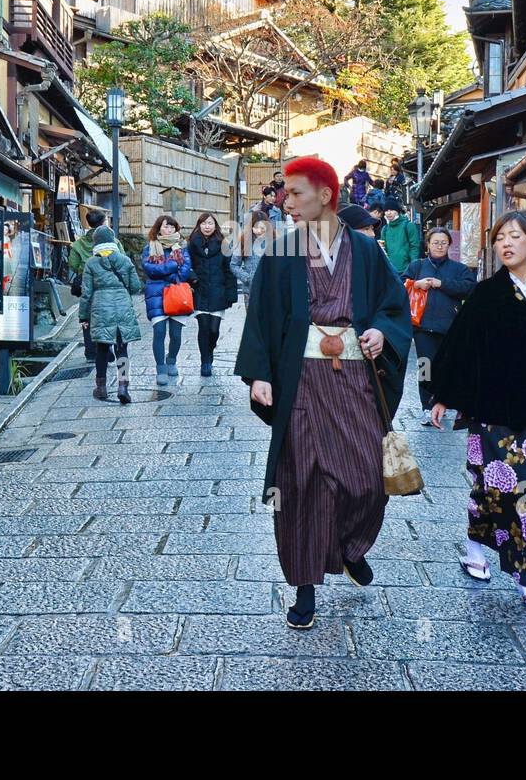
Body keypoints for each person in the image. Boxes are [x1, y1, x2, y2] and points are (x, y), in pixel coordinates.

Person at [236, 157, 411, 630]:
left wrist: (381, 333)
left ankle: (352, 547)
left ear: (326, 195)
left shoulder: (366, 249)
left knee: (366, 477)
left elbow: (394, 307)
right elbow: (262, 317)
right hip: (302, 381)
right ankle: (305, 586)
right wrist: (260, 373)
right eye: (285, 194)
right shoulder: (281, 250)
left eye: (295, 193)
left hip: (353, 379)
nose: (285, 202)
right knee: (300, 483)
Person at [429, 209, 526, 612]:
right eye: (500, 237)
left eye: (515, 236)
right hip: (490, 413)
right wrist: (443, 395)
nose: (506, 243)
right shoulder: (484, 294)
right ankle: (475, 550)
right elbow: (459, 348)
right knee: (491, 489)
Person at [404, 227, 477, 424]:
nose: (439, 246)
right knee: (425, 366)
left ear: (449, 245)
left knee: (446, 367)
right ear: (427, 244)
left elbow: (469, 288)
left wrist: (441, 283)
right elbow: (400, 284)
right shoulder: (417, 266)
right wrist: (416, 283)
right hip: (422, 326)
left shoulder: (459, 269)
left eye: (443, 242)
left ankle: (442, 404)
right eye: (435, 242)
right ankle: (427, 407)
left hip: (450, 326)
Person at [78, 225, 141, 405]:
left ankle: (102, 387)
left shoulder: (91, 263)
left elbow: (86, 293)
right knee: (122, 349)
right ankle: (123, 386)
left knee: (102, 350)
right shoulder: (124, 260)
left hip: (101, 308)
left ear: (95, 242)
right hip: (122, 307)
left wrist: (83, 317)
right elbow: (136, 287)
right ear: (113, 241)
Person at [142, 214, 193, 386]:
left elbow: (185, 270)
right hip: (156, 295)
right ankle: (161, 368)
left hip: (176, 295)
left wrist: (166, 271)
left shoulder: (182, 248)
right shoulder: (149, 247)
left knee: (176, 335)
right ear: (158, 228)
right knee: (159, 332)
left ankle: (171, 359)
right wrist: (171, 266)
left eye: (172, 227)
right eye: (166, 226)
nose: (169, 229)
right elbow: (149, 269)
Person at [188, 211, 238, 377]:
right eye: (203, 223)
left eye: (210, 223)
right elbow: (186, 265)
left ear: (215, 226)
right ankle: (205, 362)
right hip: (199, 290)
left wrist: (231, 294)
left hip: (218, 291)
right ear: (199, 225)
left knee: (214, 330)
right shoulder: (192, 243)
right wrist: (191, 276)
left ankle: (210, 351)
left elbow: (229, 270)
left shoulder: (224, 244)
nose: (207, 226)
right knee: (203, 327)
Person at [68, 209, 110, 361]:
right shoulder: (112, 241)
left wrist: (83, 268)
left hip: (86, 284)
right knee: (106, 315)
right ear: (104, 223)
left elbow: (72, 264)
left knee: (87, 317)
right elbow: (122, 259)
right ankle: (106, 347)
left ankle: (91, 352)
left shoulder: (78, 244)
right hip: (106, 283)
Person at [231, 211, 270, 306]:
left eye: (262, 227)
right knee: (253, 319)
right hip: (251, 289)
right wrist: (247, 278)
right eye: (256, 227)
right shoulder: (244, 241)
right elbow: (234, 264)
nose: (259, 231)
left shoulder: (275, 241)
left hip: (271, 289)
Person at [379, 198, 421, 274]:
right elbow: (383, 250)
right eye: (386, 211)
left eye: (391, 210)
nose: (388, 213)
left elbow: (415, 247)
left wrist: (413, 266)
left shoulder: (408, 225)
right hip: (390, 271)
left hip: (406, 270)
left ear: (397, 211)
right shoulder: (384, 229)